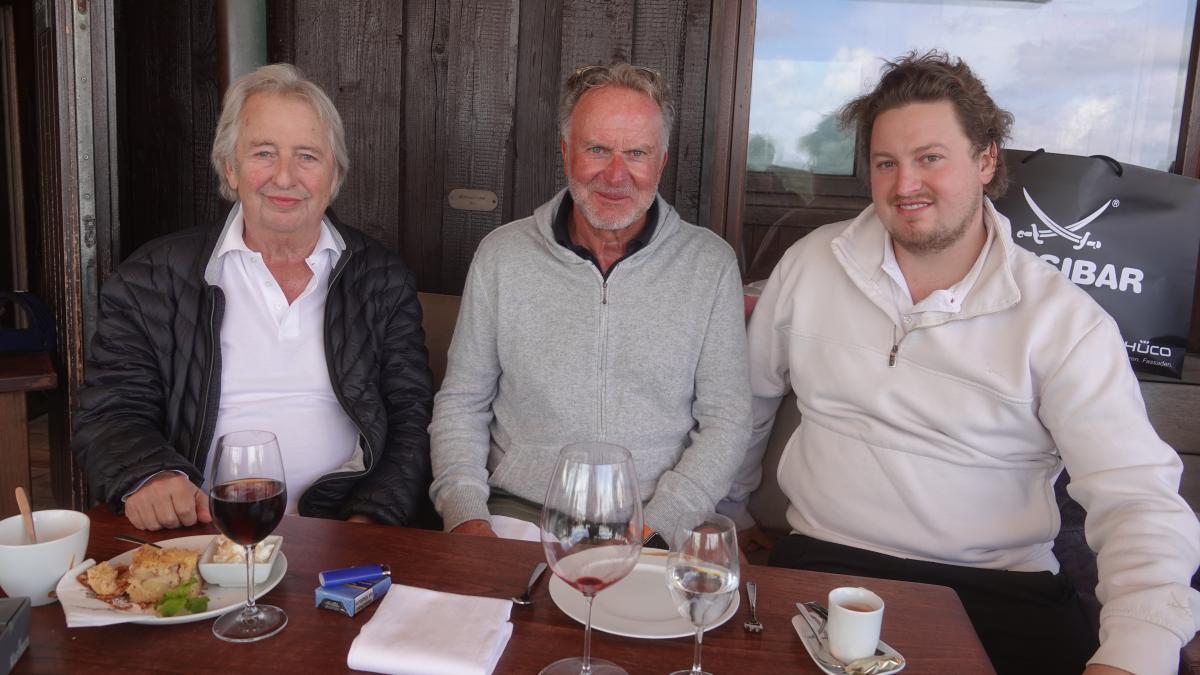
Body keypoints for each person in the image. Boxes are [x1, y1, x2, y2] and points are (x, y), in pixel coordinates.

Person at [719, 51, 1200, 675]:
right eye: (886, 163)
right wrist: (724, 525)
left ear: (986, 159)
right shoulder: (811, 266)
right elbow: (747, 406)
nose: (904, 184)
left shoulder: (1062, 320)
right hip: (822, 575)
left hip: (995, 594)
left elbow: (1136, 497)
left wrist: (1138, 652)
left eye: (930, 158)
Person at [72, 63, 433, 530]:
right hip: (201, 526)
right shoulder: (151, 278)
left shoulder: (381, 279)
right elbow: (112, 408)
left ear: (334, 174)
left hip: (343, 525)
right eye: (264, 152)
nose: (285, 177)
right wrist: (150, 474)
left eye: (307, 156)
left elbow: (412, 418)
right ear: (231, 168)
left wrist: (371, 518)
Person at [429, 63, 751, 543]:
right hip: (518, 512)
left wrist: (661, 523)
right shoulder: (503, 254)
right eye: (597, 149)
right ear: (565, 152)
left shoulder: (710, 265)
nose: (616, 175)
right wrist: (466, 516)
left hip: (654, 520)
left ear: (661, 161)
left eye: (637, 153)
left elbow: (726, 420)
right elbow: (461, 402)